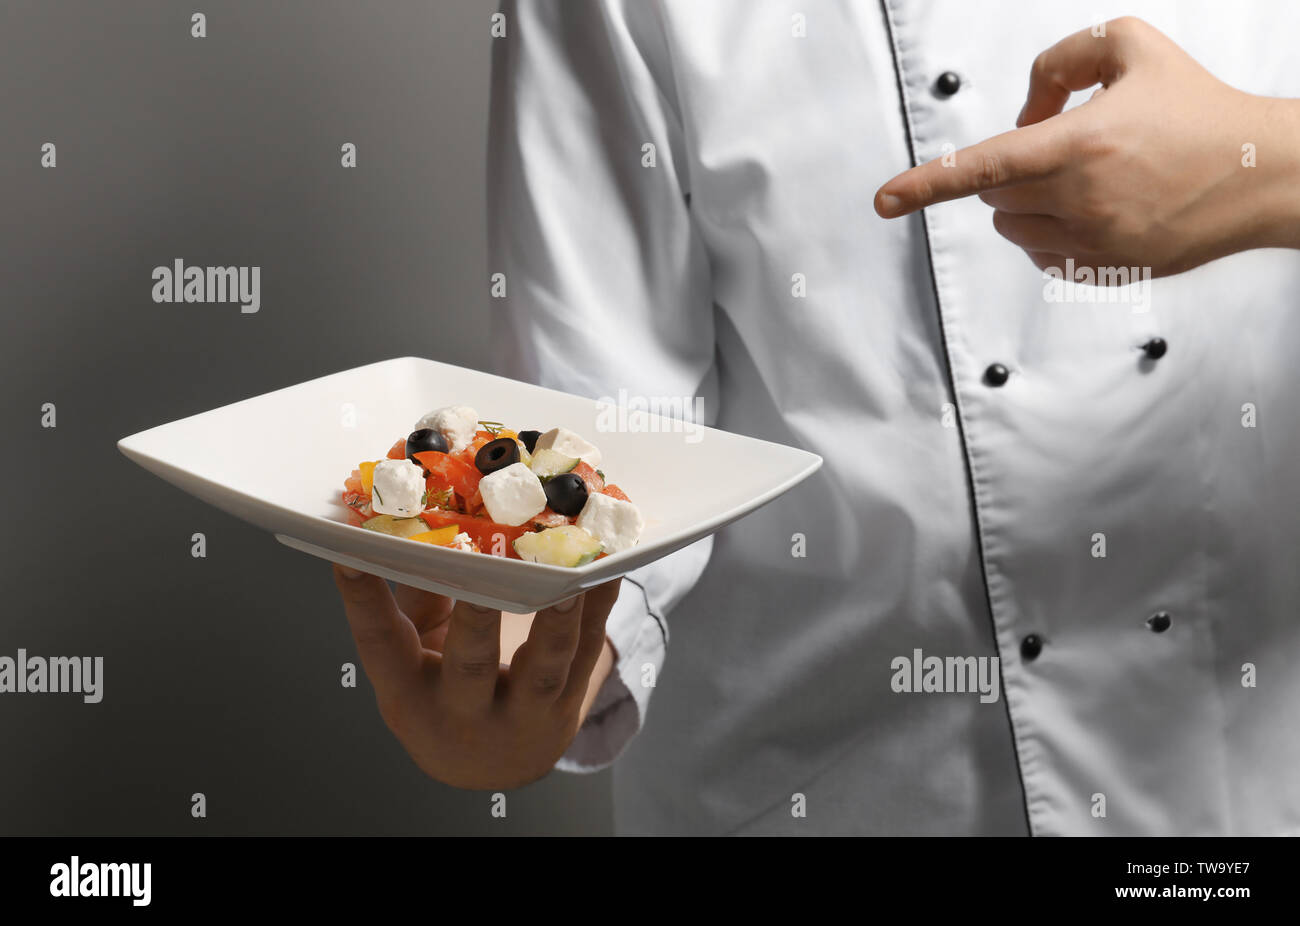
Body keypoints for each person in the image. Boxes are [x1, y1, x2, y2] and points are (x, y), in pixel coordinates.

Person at [334, 2, 1300, 835]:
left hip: (1241, 785)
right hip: (839, 783)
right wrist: (526, 671)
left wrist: (1268, 170)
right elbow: (605, 446)